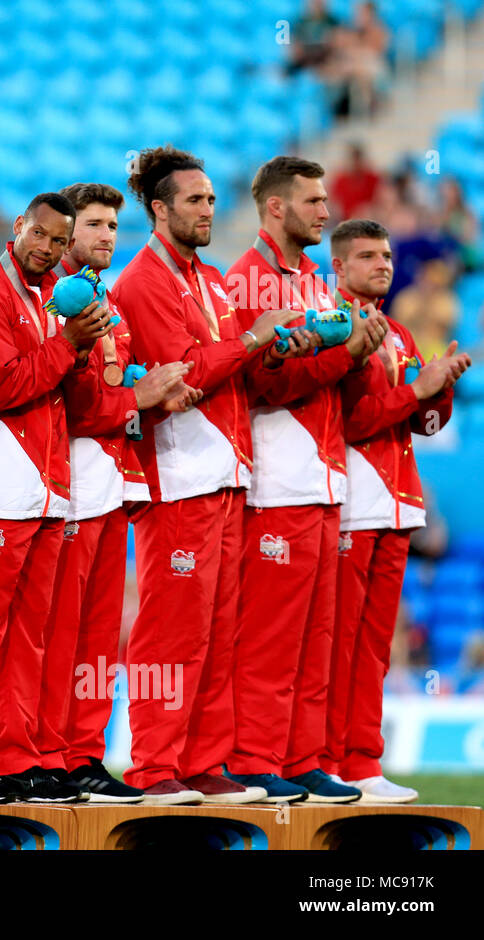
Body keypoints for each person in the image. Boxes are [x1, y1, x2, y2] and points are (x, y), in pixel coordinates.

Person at [0, 192, 167, 801]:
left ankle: (18, 758)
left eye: (59, 242)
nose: (48, 248)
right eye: (43, 234)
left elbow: (54, 385)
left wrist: (75, 348)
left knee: (31, 634)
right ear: (19, 226)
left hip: (42, 487)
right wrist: (72, 346)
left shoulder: (44, 299)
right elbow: (7, 388)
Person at [111, 146, 297, 805]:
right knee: (172, 628)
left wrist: (272, 343)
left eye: (213, 199)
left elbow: (226, 361)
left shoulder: (211, 278)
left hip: (224, 472)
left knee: (219, 628)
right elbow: (181, 373)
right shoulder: (142, 282)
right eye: (195, 200)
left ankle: (204, 762)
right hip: (179, 475)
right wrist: (249, 341)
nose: (208, 209)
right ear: (159, 209)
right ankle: (153, 766)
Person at [224, 156, 387, 804]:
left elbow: (331, 380)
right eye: (314, 202)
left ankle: (302, 756)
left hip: (322, 481)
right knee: (270, 634)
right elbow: (263, 384)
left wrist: (360, 359)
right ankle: (251, 756)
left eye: (324, 201)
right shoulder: (248, 282)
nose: (326, 212)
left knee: (316, 634)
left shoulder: (316, 285)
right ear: (275, 208)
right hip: (278, 480)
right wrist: (344, 355)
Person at [41, 182, 199, 802]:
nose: (108, 235)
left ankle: (83, 754)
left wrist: (148, 386)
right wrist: (140, 395)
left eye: (113, 225)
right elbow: (77, 404)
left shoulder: (103, 300)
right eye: (94, 225)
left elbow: (110, 383)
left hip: (109, 481)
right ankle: (50, 754)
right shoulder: (62, 301)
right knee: (64, 632)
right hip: (68, 480)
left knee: (99, 636)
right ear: (65, 236)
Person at [327, 219, 471, 801]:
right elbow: (352, 421)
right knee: (337, 643)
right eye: (366, 256)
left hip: (396, 500)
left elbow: (425, 424)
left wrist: (441, 388)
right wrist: (417, 391)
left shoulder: (400, 334)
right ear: (338, 267)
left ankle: (362, 761)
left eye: (385, 255)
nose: (382, 264)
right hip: (348, 502)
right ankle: (327, 761)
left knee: (373, 645)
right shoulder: (334, 328)